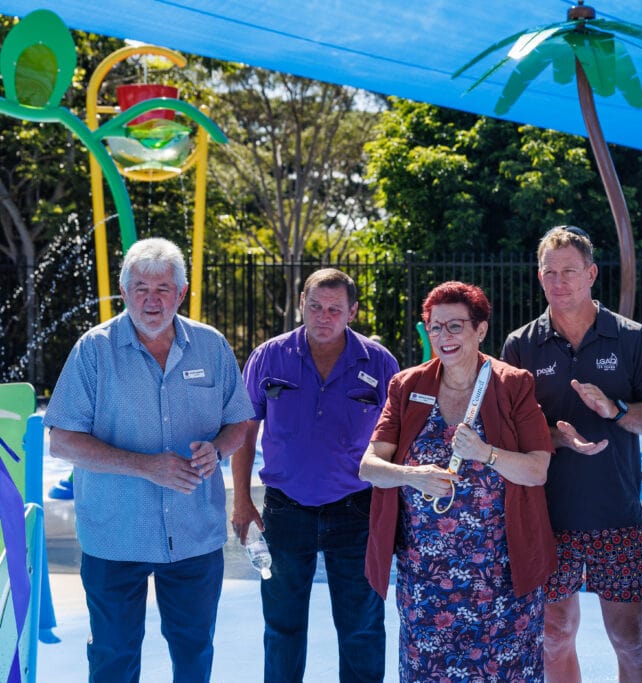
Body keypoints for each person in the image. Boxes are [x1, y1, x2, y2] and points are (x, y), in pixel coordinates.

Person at [44, 237, 254, 683]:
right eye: (140, 287)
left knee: (194, 657)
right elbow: (61, 441)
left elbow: (239, 423)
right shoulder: (93, 350)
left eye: (162, 289)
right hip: (115, 537)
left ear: (181, 293)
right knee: (113, 660)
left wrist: (217, 448)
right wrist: (145, 466)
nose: (151, 300)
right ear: (124, 292)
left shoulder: (212, 347)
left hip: (195, 535)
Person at [360, 281, 556, 682]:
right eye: (435, 327)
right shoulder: (408, 385)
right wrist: (412, 476)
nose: (443, 337)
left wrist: (486, 453)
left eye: (455, 326)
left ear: (480, 329)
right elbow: (369, 467)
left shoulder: (513, 384)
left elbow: (538, 470)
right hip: (426, 578)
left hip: (502, 576)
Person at [500, 226, 642, 682]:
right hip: (547, 516)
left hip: (617, 512)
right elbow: (510, 431)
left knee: (631, 641)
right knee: (554, 635)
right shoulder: (520, 345)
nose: (560, 282)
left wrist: (614, 410)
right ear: (540, 278)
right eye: (550, 273)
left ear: (591, 273)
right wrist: (556, 437)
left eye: (570, 271)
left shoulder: (630, 337)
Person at [231, 268, 398, 682]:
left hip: (357, 512)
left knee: (361, 628)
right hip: (285, 514)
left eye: (334, 309)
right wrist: (241, 500)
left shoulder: (379, 363)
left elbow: (398, 437)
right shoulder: (269, 356)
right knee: (282, 628)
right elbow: (243, 430)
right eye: (315, 306)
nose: (323, 316)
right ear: (301, 304)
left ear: (353, 312)